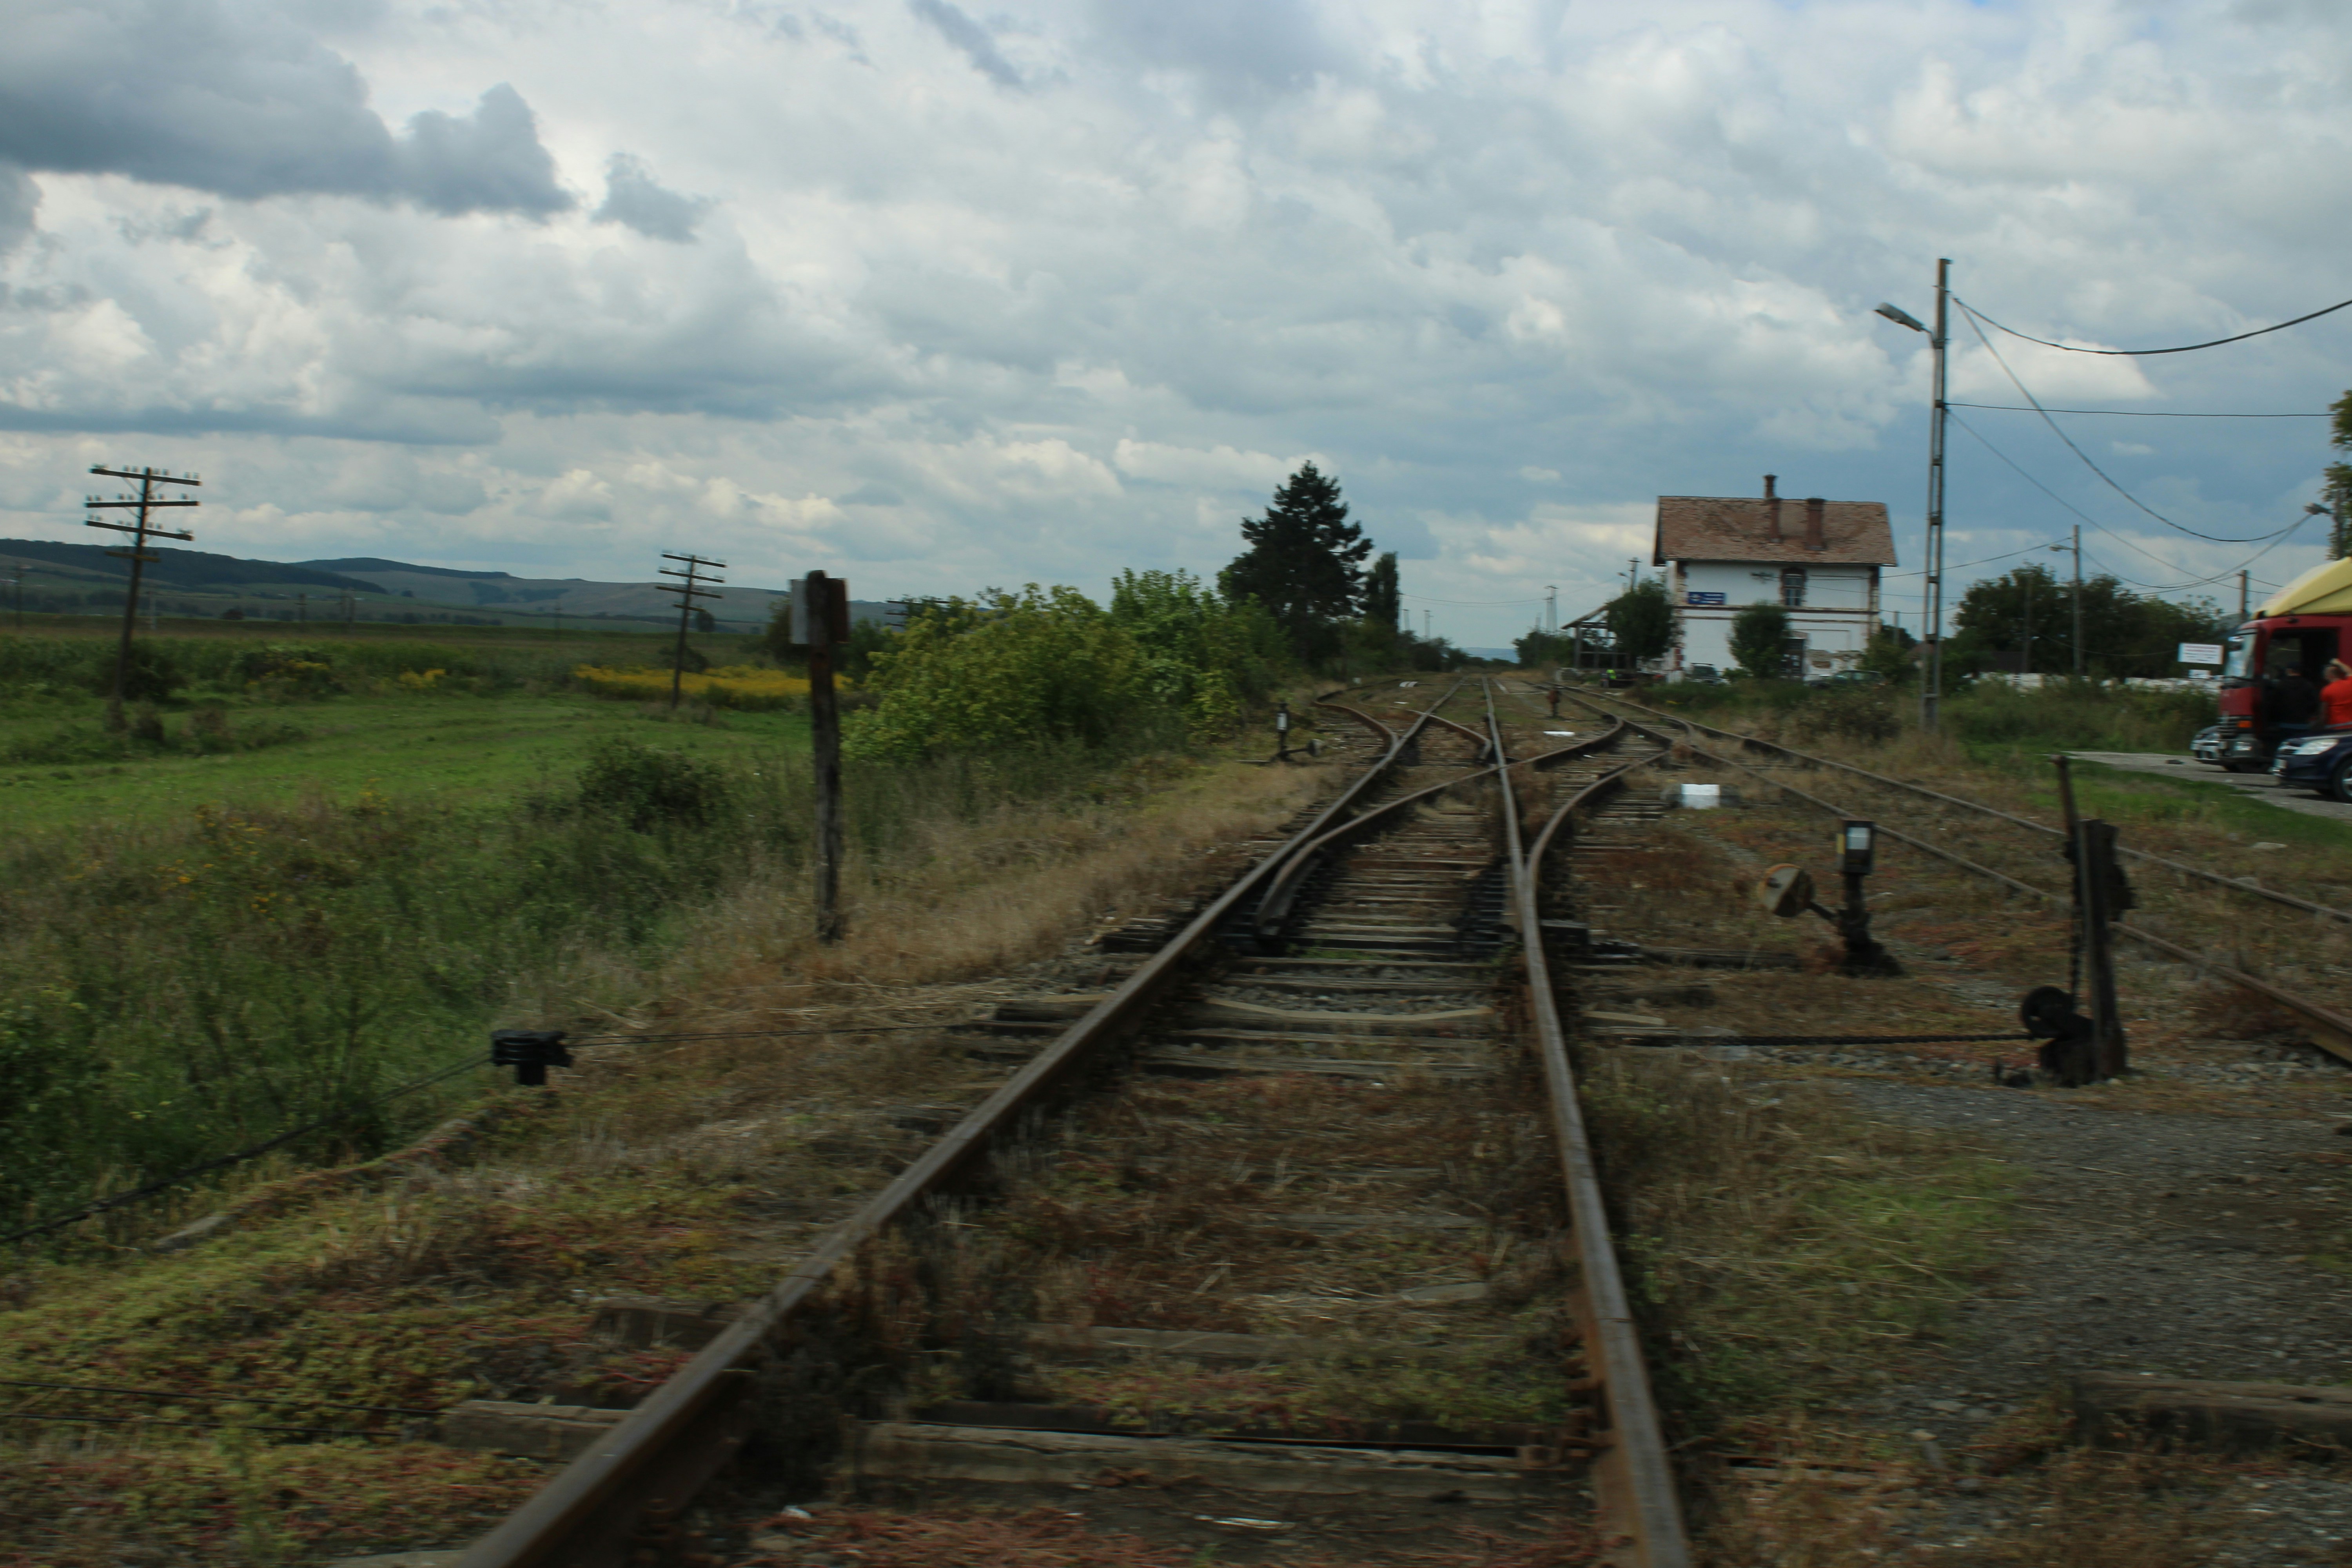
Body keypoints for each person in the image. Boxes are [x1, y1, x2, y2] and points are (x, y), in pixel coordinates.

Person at [2271, 663, 2320, 728]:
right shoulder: (2308, 685)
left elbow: (2275, 703)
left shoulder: (2281, 685)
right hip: (2303, 724)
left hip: (2285, 723)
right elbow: (2314, 704)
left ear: (2289, 671)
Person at [2322, 661, 2352, 729]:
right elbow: (2350, 672)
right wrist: (2338, 662)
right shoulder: (2350, 684)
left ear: (2329, 676)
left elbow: (2324, 714)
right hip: (2351, 725)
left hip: (2335, 727)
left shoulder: (2326, 690)